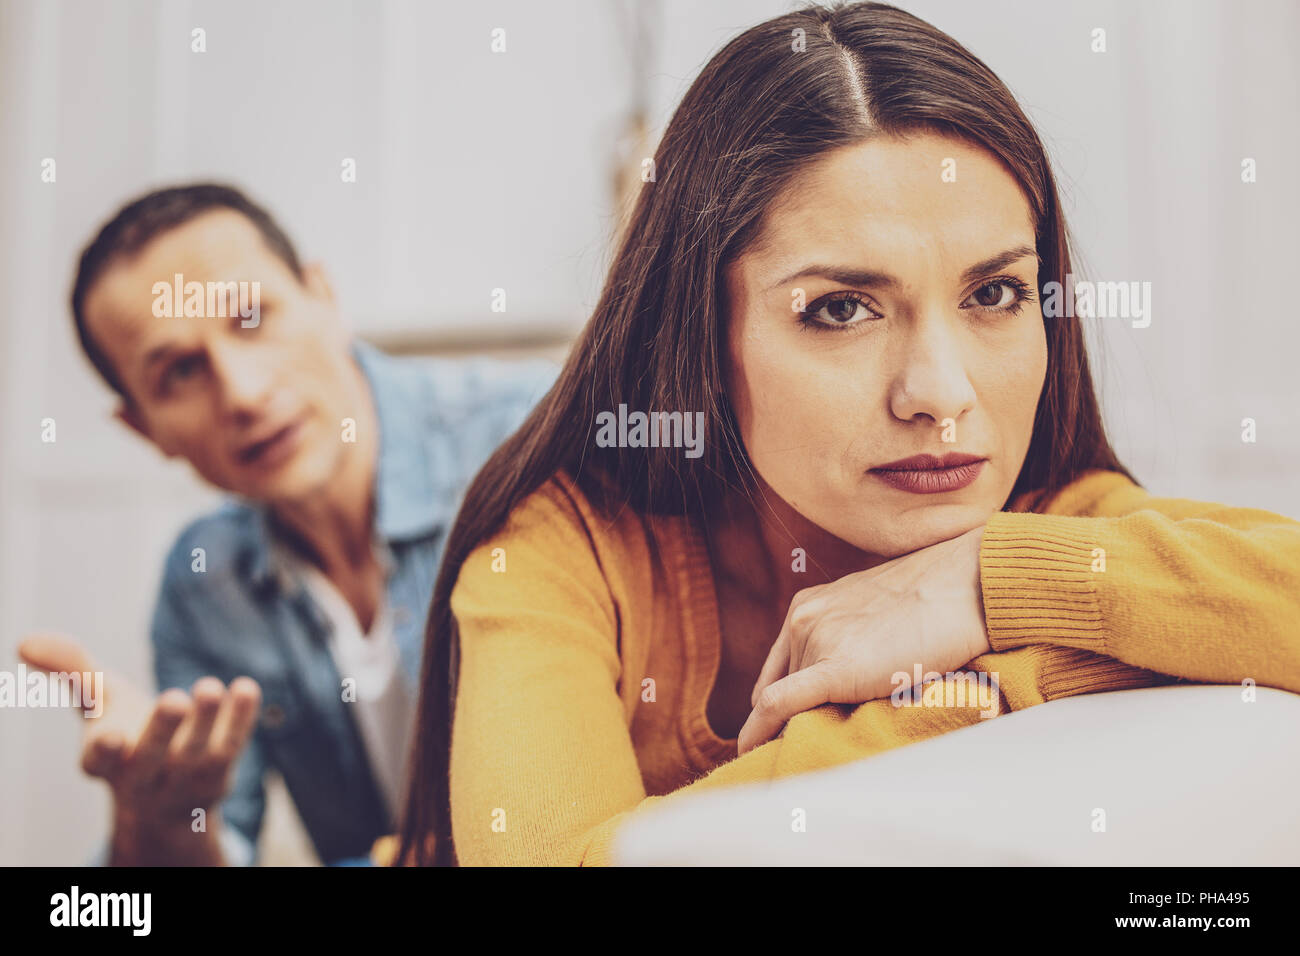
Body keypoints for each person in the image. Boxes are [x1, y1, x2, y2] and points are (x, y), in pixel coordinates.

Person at [392, 1, 1300, 866]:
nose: (941, 395)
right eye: (840, 309)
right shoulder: (567, 550)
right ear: (703, 332)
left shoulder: (1056, 528)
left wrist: (989, 583)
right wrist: (1005, 684)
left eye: (994, 294)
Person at [19, 184, 554, 865]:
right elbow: (203, 853)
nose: (242, 393)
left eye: (250, 318)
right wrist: (155, 821)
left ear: (323, 297)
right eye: (179, 371)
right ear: (143, 427)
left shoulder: (536, 440)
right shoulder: (206, 581)